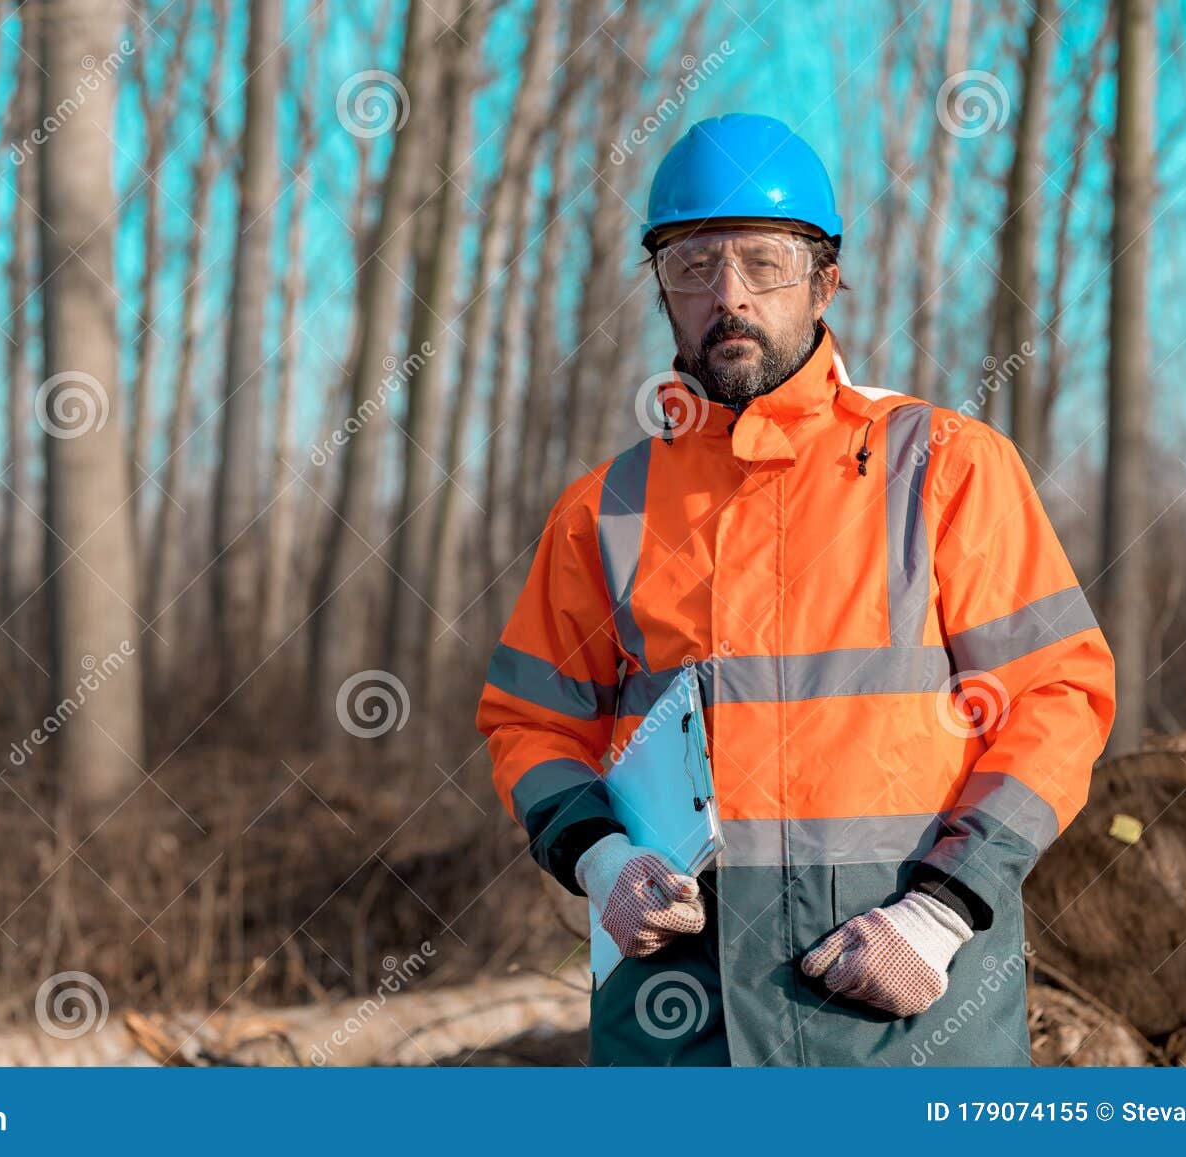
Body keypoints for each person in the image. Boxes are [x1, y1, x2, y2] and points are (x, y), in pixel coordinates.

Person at [476, 113, 1117, 1066]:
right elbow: (529, 724)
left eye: (763, 262)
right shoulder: (603, 509)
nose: (727, 295)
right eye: (693, 264)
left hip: (903, 1023)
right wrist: (603, 859)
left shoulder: (942, 468)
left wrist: (944, 912)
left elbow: (1058, 700)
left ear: (824, 280)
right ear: (661, 287)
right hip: (677, 1030)